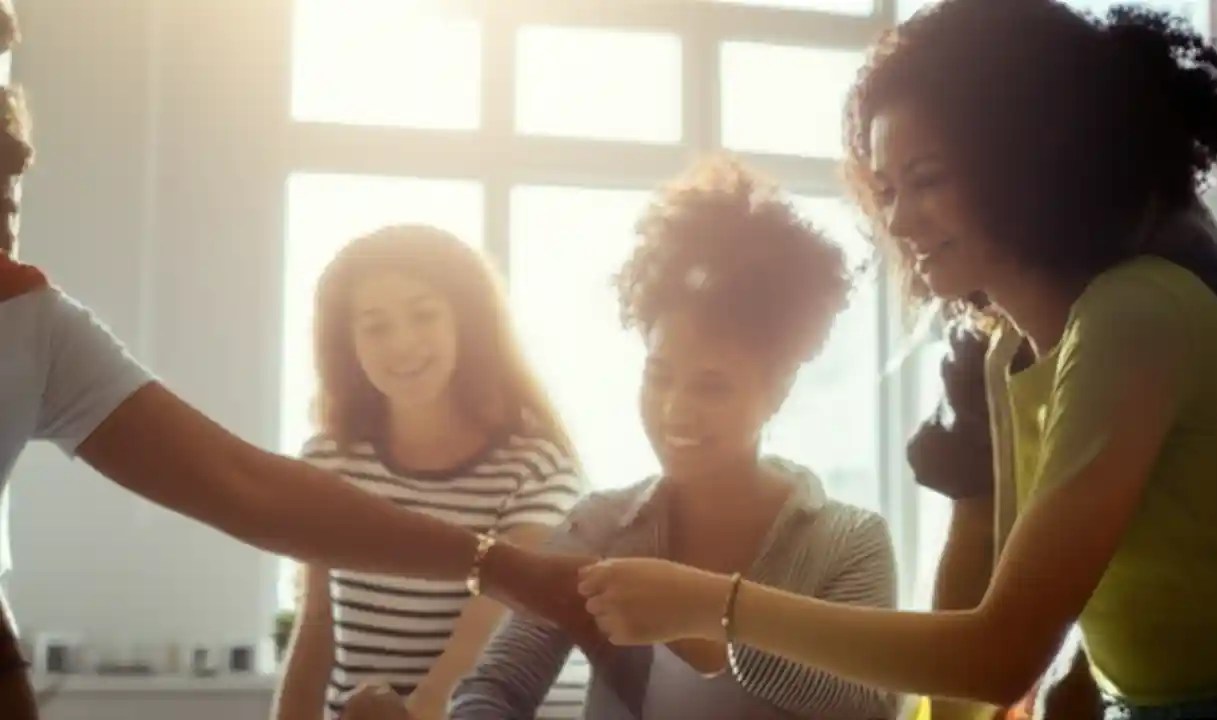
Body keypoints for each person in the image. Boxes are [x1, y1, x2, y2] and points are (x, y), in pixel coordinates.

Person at [575, 2, 1217, 719]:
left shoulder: (1135, 318)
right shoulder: (1010, 348)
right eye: (887, 190)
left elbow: (1000, 655)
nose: (900, 222)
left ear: (1026, 163)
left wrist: (711, 602)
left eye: (929, 180)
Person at [0, 14, 590, 719]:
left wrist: (500, 570)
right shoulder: (336, 453)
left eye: (12, 157)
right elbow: (314, 630)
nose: (14, 167)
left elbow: (247, 487)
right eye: (375, 325)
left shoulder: (33, 324)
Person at [449, 156, 899, 720]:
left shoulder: (848, 544)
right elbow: (496, 687)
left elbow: (869, 707)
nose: (674, 410)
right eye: (660, 375)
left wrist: (709, 614)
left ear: (777, 393)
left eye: (712, 387)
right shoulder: (600, 527)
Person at [273, 226, 587, 720]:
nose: (402, 344)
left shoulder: (535, 466)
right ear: (347, 342)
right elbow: (315, 628)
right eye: (375, 326)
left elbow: (489, 619)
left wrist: (417, 711)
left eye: (423, 315)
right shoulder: (327, 462)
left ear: (466, 323)